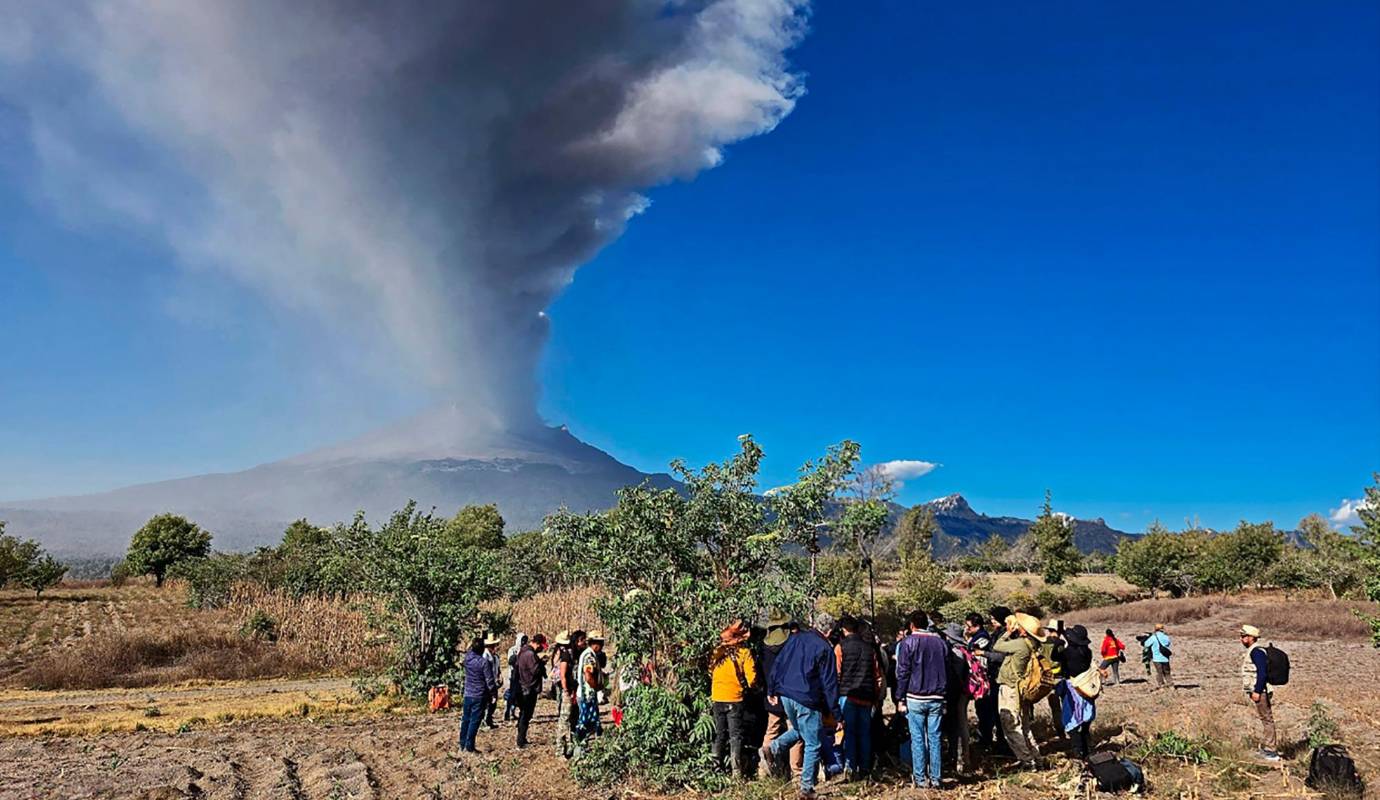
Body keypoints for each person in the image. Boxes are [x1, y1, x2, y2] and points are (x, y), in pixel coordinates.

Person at [762, 618, 839, 800]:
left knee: (799, 730)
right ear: (828, 632)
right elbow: (830, 684)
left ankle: (773, 748)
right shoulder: (824, 648)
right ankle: (806, 789)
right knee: (813, 743)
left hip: (786, 695)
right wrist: (836, 712)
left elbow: (778, 663)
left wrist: (771, 689)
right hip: (807, 697)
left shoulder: (795, 639)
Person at [893, 610, 949, 790]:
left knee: (917, 738)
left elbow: (902, 673)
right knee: (935, 738)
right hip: (937, 696)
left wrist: (899, 698)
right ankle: (936, 778)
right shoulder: (941, 643)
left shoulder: (907, 642)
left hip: (915, 696)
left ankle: (920, 778)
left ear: (911, 625)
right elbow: (946, 669)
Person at [992, 612, 1044, 768]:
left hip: (1011, 688)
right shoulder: (1033, 644)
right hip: (1022, 688)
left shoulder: (1021, 644)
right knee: (1025, 726)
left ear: (1023, 630)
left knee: (1011, 725)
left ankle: (1027, 761)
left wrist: (1008, 631)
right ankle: (1036, 758)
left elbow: (997, 646)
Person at [833, 615, 882, 779]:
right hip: (867, 696)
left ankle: (850, 768)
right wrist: (875, 697)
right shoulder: (870, 649)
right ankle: (866, 768)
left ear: (843, 629)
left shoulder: (840, 647)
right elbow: (877, 676)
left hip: (847, 696)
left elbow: (836, 673)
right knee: (865, 734)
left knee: (849, 734)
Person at [710, 620, 759, 778]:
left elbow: (710, 671)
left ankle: (715, 769)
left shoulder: (717, 652)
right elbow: (752, 680)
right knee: (735, 736)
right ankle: (736, 772)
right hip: (735, 699)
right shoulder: (744, 653)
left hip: (717, 697)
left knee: (719, 734)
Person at [759, 614, 804, 780]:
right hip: (791, 695)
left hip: (772, 696)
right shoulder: (791, 645)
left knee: (771, 731)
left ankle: (763, 769)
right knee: (795, 731)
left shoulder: (763, 648)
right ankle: (796, 773)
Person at [1239, 624, 1281, 761]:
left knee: (1267, 719)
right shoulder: (1254, 650)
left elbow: (1261, 673)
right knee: (1265, 718)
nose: (1241, 639)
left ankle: (1271, 751)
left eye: (1244, 636)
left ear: (1251, 637)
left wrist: (1257, 691)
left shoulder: (1256, 652)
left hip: (1261, 691)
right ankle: (1269, 748)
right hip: (1259, 690)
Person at [1055, 625, 1095, 759]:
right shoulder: (1087, 651)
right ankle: (1087, 751)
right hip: (1086, 688)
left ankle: (1078, 753)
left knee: (1072, 722)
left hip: (1073, 689)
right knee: (1084, 724)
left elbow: (1054, 656)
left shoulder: (1069, 652)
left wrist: (1057, 642)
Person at [941, 622, 973, 776]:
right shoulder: (964, 650)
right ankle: (960, 757)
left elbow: (955, 677)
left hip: (956, 694)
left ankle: (961, 759)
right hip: (963, 693)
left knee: (958, 727)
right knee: (959, 725)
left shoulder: (955, 653)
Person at [459, 637, 494, 753]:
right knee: (475, 721)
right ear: (483, 649)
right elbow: (489, 681)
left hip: (468, 694)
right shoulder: (484, 663)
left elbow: (469, 649)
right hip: (479, 695)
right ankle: (469, 746)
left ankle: (462, 744)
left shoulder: (467, 659)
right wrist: (493, 694)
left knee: (466, 719)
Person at [514, 633, 546, 748]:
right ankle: (521, 740)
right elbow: (535, 671)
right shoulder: (530, 654)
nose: (541, 648)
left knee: (524, 714)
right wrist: (541, 662)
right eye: (541, 646)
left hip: (523, 688)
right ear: (537, 643)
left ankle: (521, 738)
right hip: (529, 688)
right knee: (526, 715)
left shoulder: (523, 651)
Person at [575, 631, 606, 747]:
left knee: (591, 721)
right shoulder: (589, 656)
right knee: (585, 722)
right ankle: (579, 746)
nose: (602, 646)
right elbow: (588, 676)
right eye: (601, 643)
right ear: (595, 643)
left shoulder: (588, 654)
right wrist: (597, 687)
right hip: (587, 695)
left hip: (587, 694)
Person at [1042, 619, 1067, 739]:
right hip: (1059, 677)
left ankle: (1060, 732)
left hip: (1047, 677)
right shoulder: (1060, 644)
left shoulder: (1043, 643)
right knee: (1066, 704)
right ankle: (1068, 729)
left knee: (1055, 708)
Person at [503, 632, 528, 722]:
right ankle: (508, 712)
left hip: (522, 676)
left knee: (520, 696)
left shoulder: (525, 649)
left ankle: (517, 713)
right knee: (512, 695)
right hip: (513, 676)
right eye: (522, 640)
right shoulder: (512, 650)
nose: (524, 642)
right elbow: (510, 661)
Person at [482, 633, 502, 727]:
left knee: (493, 703)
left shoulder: (495, 656)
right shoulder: (485, 656)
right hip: (486, 683)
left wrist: (499, 676)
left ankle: (489, 719)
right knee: (487, 702)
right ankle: (485, 720)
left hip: (493, 681)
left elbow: (497, 668)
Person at [1146, 623, 1172, 690]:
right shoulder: (1166, 637)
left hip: (1156, 658)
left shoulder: (1153, 637)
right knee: (1167, 672)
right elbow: (1168, 644)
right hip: (1165, 658)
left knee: (1159, 672)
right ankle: (1171, 685)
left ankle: (1161, 686)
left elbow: (1146, 644)